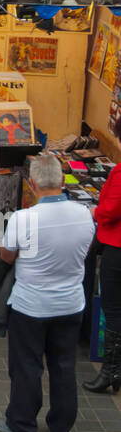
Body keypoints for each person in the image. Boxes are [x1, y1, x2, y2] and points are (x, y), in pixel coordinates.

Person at [0, 153, 96, 432]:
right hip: (71, 304)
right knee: (64, 365)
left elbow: (7, 256)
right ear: (62, 181)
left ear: (32, 183)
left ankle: (22, 424)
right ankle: (61, 426)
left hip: (31, 306)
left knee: (27, 365)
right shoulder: (84, 215)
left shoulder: (24, 219)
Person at [84, 164, 121, 392]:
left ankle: (110, 372)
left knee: (113, 308)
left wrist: (94, 212)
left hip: (117, 246)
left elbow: (111, 209)